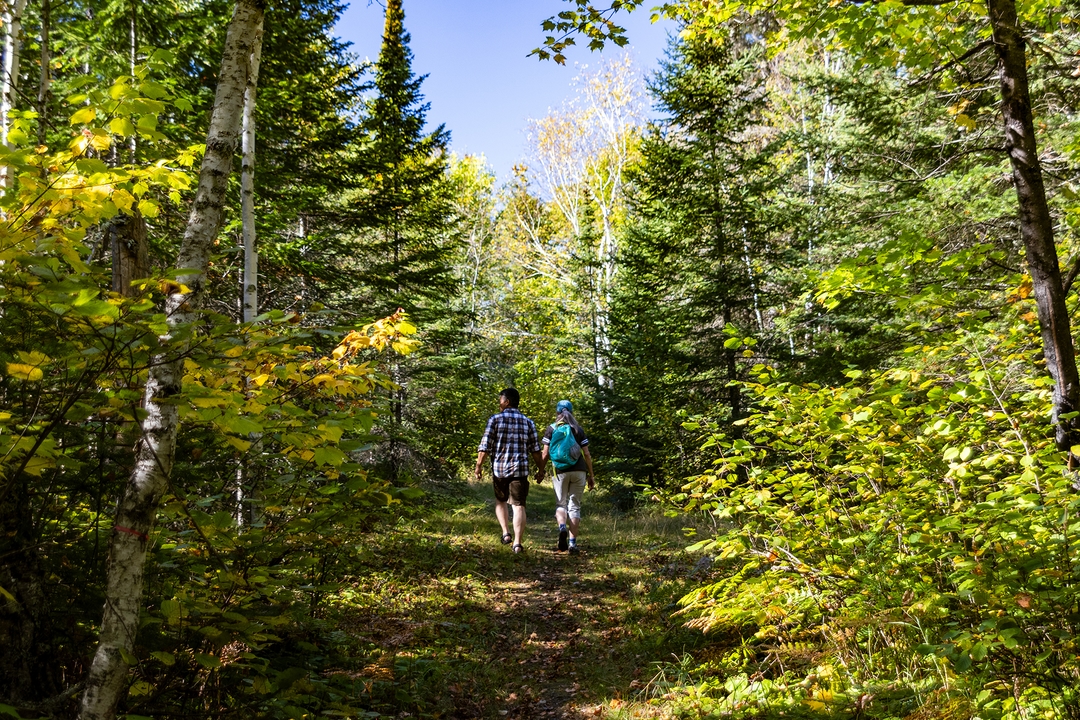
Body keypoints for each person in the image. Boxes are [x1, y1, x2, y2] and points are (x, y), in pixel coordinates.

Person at [475, 388, 545, 554]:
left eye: (500, 399)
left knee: (501, 501)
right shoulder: (528, 422)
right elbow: (536, 450)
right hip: (520, 470)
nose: (499, 402)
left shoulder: (495, 419)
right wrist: (541, 470)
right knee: (519, 505)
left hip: (499, 469)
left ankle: (506, 533)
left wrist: (478, 466)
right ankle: (518, 543)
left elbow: (485, 446)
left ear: (507, 401)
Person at [541, 400, 594, 553]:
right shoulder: (578, 429)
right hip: (579, 471)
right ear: (571, 412)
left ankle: (562, 527)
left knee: (561, 504)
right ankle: (572, 543)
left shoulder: (551, 429)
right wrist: (591, 475)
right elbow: (587, 454)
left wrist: (541, 471)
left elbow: (544, 454)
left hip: (560, 472)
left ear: (557, 413)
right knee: (574, 506)